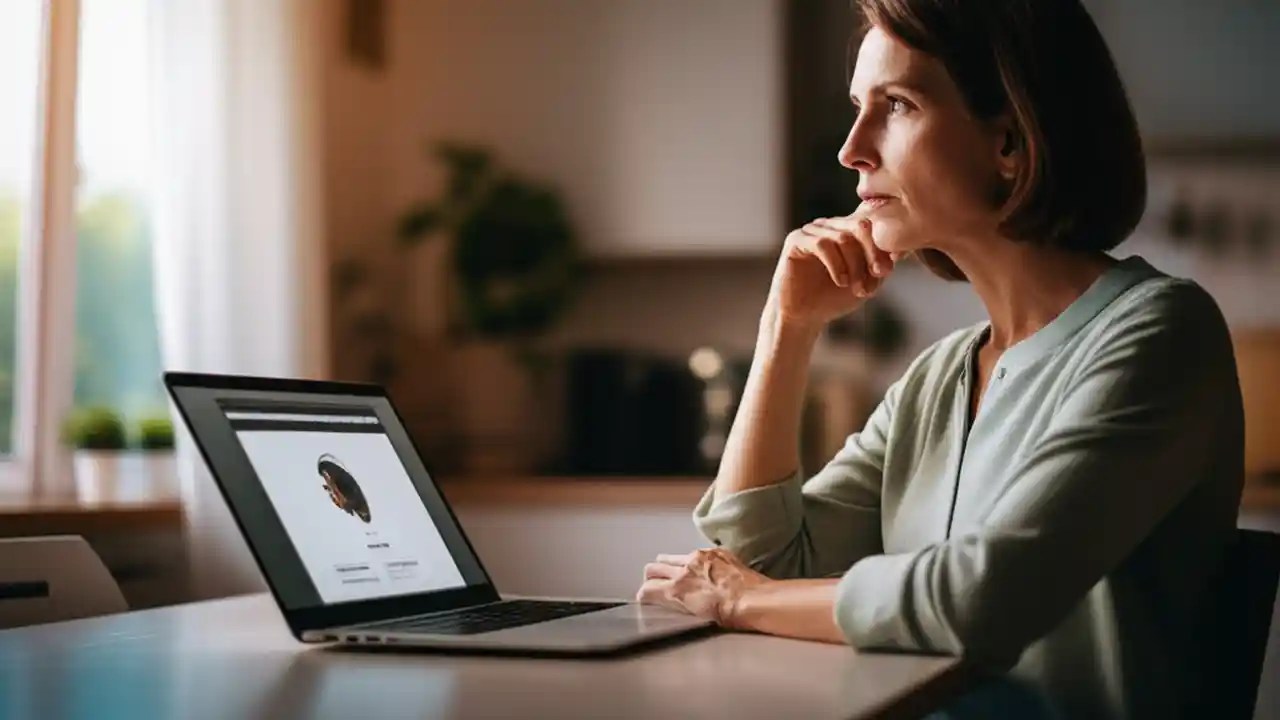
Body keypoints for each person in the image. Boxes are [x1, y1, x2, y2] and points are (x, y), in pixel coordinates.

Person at [636, 1, 1244, 718]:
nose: (852, 149)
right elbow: (767, 566)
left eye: (896, 104)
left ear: (1010, 142)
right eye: (857, 108)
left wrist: (743, 596)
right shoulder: (937, 378)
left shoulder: (1159, 333)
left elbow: (980, 600)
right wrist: (786, 327)